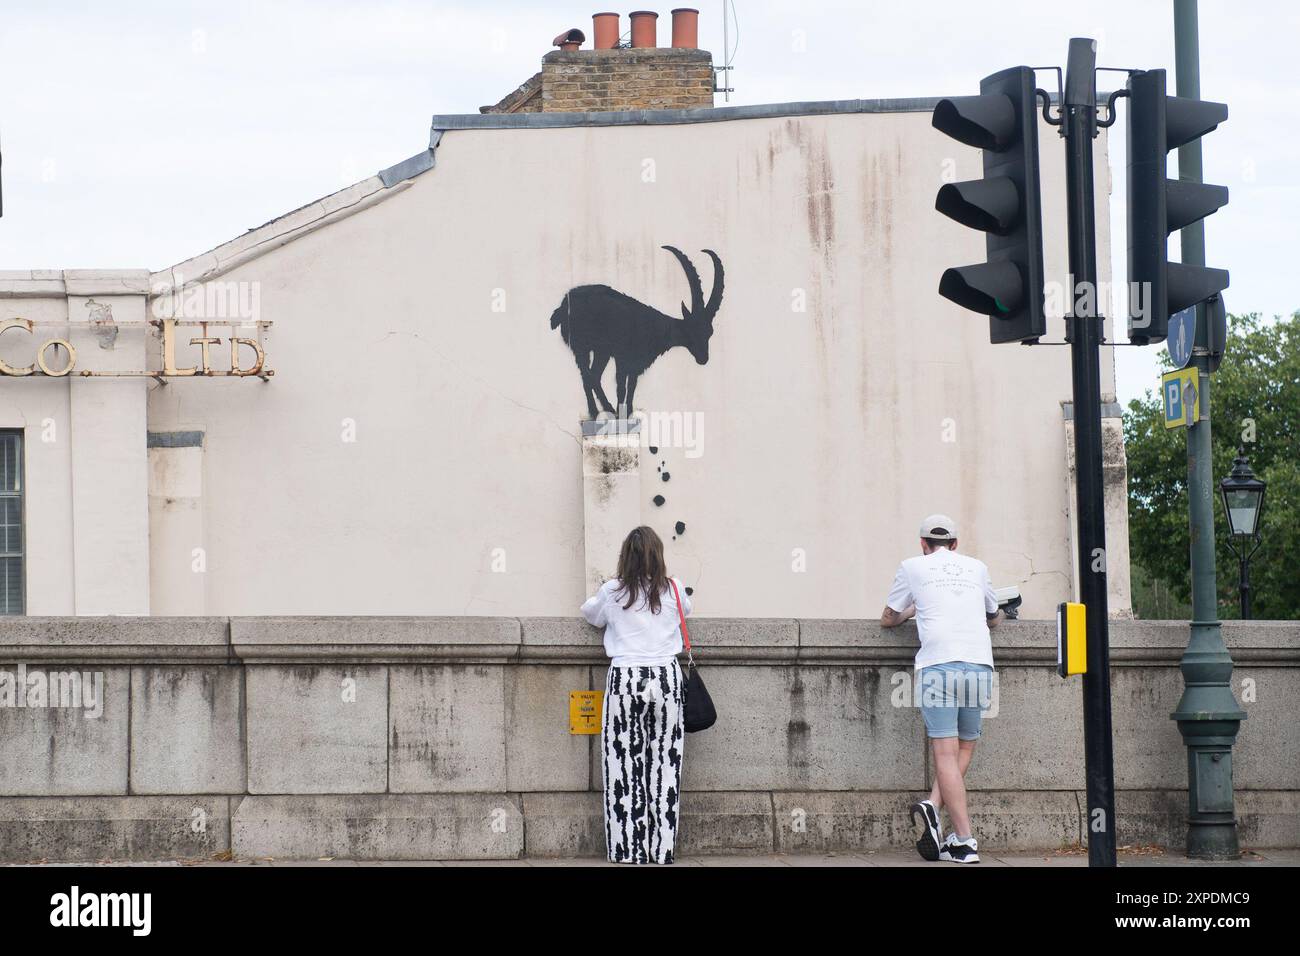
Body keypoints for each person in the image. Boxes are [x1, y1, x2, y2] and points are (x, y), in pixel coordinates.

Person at [881, 514, 1002, 864]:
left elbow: (888, 616)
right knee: (967, 745)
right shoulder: (977, 567)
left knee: (945, 754)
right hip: (979, 664)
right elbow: (993, 615)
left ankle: (964, 840)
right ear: (955, 544)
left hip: (938, 665)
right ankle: (933, 807)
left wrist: (911, 612)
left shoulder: (912, 567)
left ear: (923, 544)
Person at [581, 525, 690, 864]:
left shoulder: (613, 591)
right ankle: (662, 850)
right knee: (665, 765)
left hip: (626, 676)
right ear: (659, 556)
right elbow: (687, 610)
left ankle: (628, 848)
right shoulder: (673, 589)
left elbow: (590, 614)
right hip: (666, 678)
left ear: (625, 557)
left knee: (622, 764)